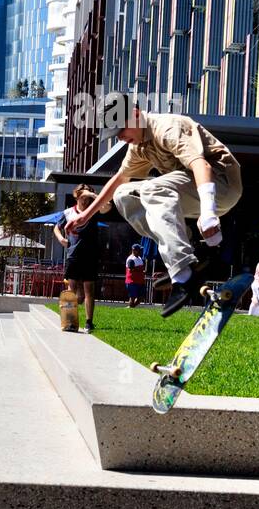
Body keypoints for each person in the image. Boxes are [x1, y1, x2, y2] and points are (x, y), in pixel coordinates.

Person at [66, 95, 242, 317]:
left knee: (151, 190)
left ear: (136, 114)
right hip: (190, 189)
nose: (120, 137)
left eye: (122, 130)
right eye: (116, 134)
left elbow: (202, 165)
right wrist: (86, 216)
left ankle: (182, 274)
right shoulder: (139, 147)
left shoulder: (166, 128)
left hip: (221, 182)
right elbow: (119, 179)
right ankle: (188, 254)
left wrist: (208, 213)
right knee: (124, 195)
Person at [55, 185, 110, 333]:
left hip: (90, 255)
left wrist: (93, 196)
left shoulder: (94, 211)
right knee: (71, 289)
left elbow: (107, 206)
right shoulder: (68, 212)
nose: (85, 200)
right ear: (77, 196)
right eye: (83, 196)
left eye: (87, 197)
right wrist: (61, 239)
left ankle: (88, 322)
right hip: (74, 255)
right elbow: (56, 227)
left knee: (89, 290)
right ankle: (70, 321)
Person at [125, 243, 146, 308]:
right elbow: (131, 270)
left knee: (141, 297)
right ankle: (130, 308)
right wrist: (141, 271)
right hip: (132, 282)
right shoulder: (130, 259)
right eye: (138, 250)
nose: (140, 251)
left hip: (140, 282)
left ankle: (130, 308)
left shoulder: (139, 258)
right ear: (133, 250)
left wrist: (142, 272)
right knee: (132, 298)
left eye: (140, 250)